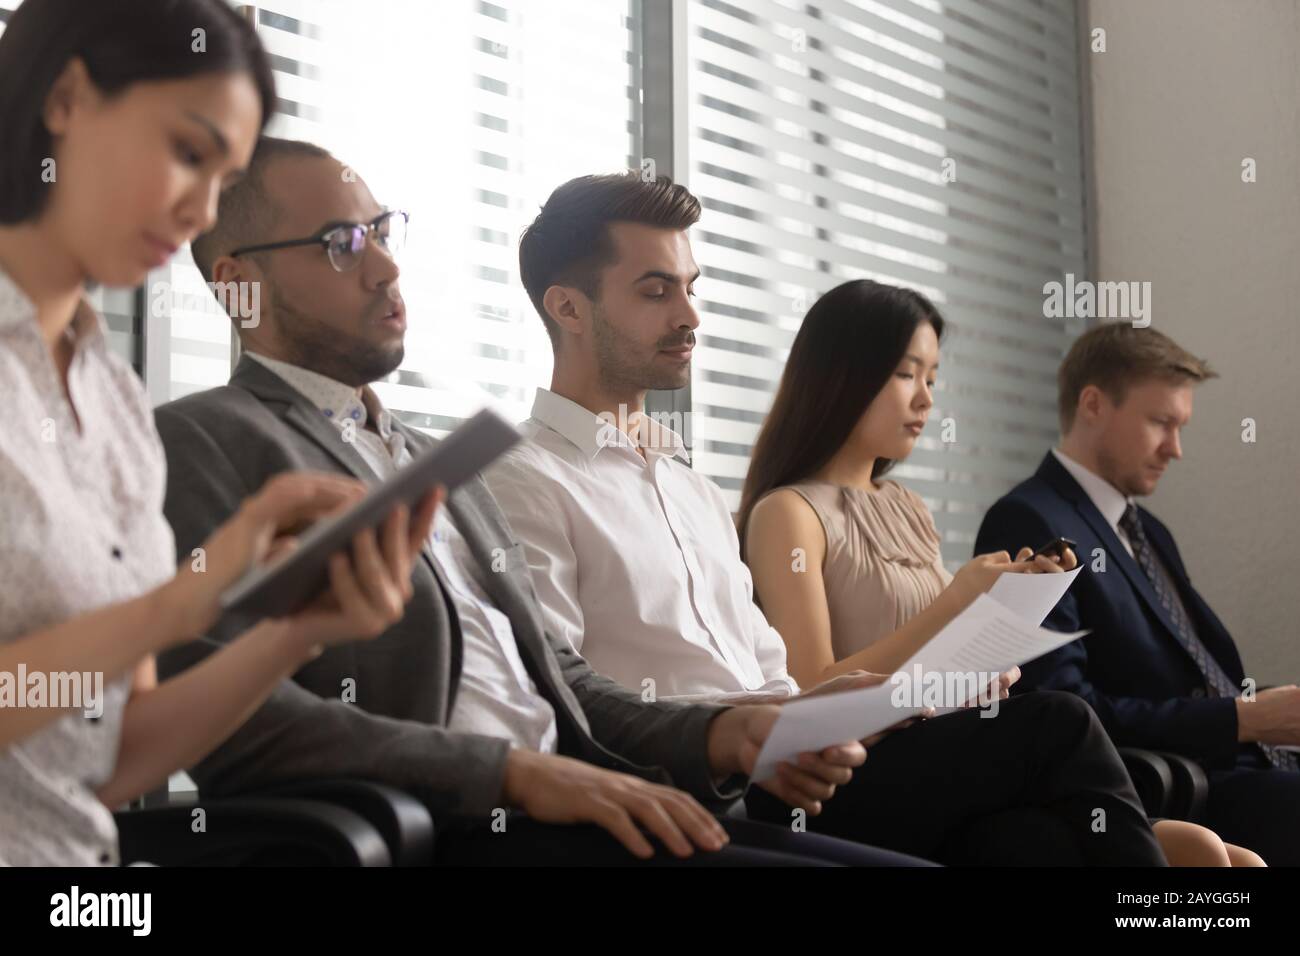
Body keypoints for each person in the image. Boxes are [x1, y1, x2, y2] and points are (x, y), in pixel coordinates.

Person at [152, 137, 922, 867]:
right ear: (240, 285)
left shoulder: (434, 458)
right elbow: (228, 717)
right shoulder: (205, 440)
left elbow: (563, 679)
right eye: (342, 244)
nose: (386, 266)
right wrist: (512, 774)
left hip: (578, 799)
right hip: (461, 825)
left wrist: (729, 730)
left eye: (382, 232)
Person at [484, 170, 1169, 866]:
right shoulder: (522, 484)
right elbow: (557, 701)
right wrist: (742, 734)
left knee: (1028, 844)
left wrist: (880, 700)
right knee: (1058, 724)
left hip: (792, 771)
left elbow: (776, 680)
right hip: (695, 789)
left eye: (692, 287)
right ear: (568, 309)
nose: (689, 315)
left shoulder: (689, 487)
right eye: (656, 291)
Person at [0, 0, 433, 867]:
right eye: (188, 152)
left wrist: (300, 629)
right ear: (69, 99)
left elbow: (109, 760)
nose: (202, 209)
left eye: (223, 174)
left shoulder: (114, 404)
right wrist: (172, 608)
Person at [741, 279, 1265, 867]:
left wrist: (985, 653)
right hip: (844, 777)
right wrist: (958, 600)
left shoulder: (905, 508)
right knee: (1061, 718)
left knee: (1209, 854)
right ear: (843, 373)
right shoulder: (787, 512)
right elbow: (813, 696)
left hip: (931, 759)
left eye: (933, 379)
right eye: (906, 374)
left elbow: (923, 673)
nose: (926, 401)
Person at [976, 322, 1299, 863]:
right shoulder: (1029, 519)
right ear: (1094, 405)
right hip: (1166, 786)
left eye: (1181, 427)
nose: (1175, 448)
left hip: (1242, 763)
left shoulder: (1148, 530)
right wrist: (1242, 720)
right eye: (1160, 422)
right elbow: (1065, 710)